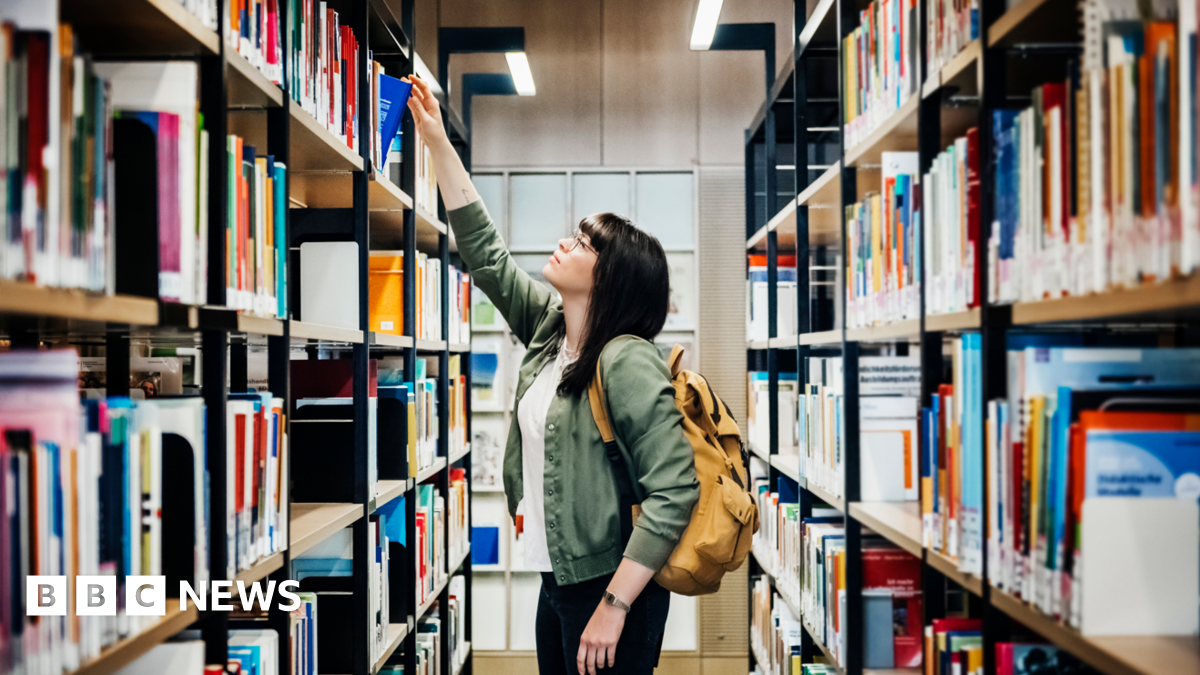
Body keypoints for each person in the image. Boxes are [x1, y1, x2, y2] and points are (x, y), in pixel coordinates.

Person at [405, 75, 700, 675]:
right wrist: (435, 138)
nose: (566, 242)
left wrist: (615, 606)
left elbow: (675, 492)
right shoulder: (549, 330)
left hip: (612, 589)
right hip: (558, 576)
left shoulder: (627, 358)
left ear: (612, 277)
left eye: (585, 243)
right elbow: (486, 255)